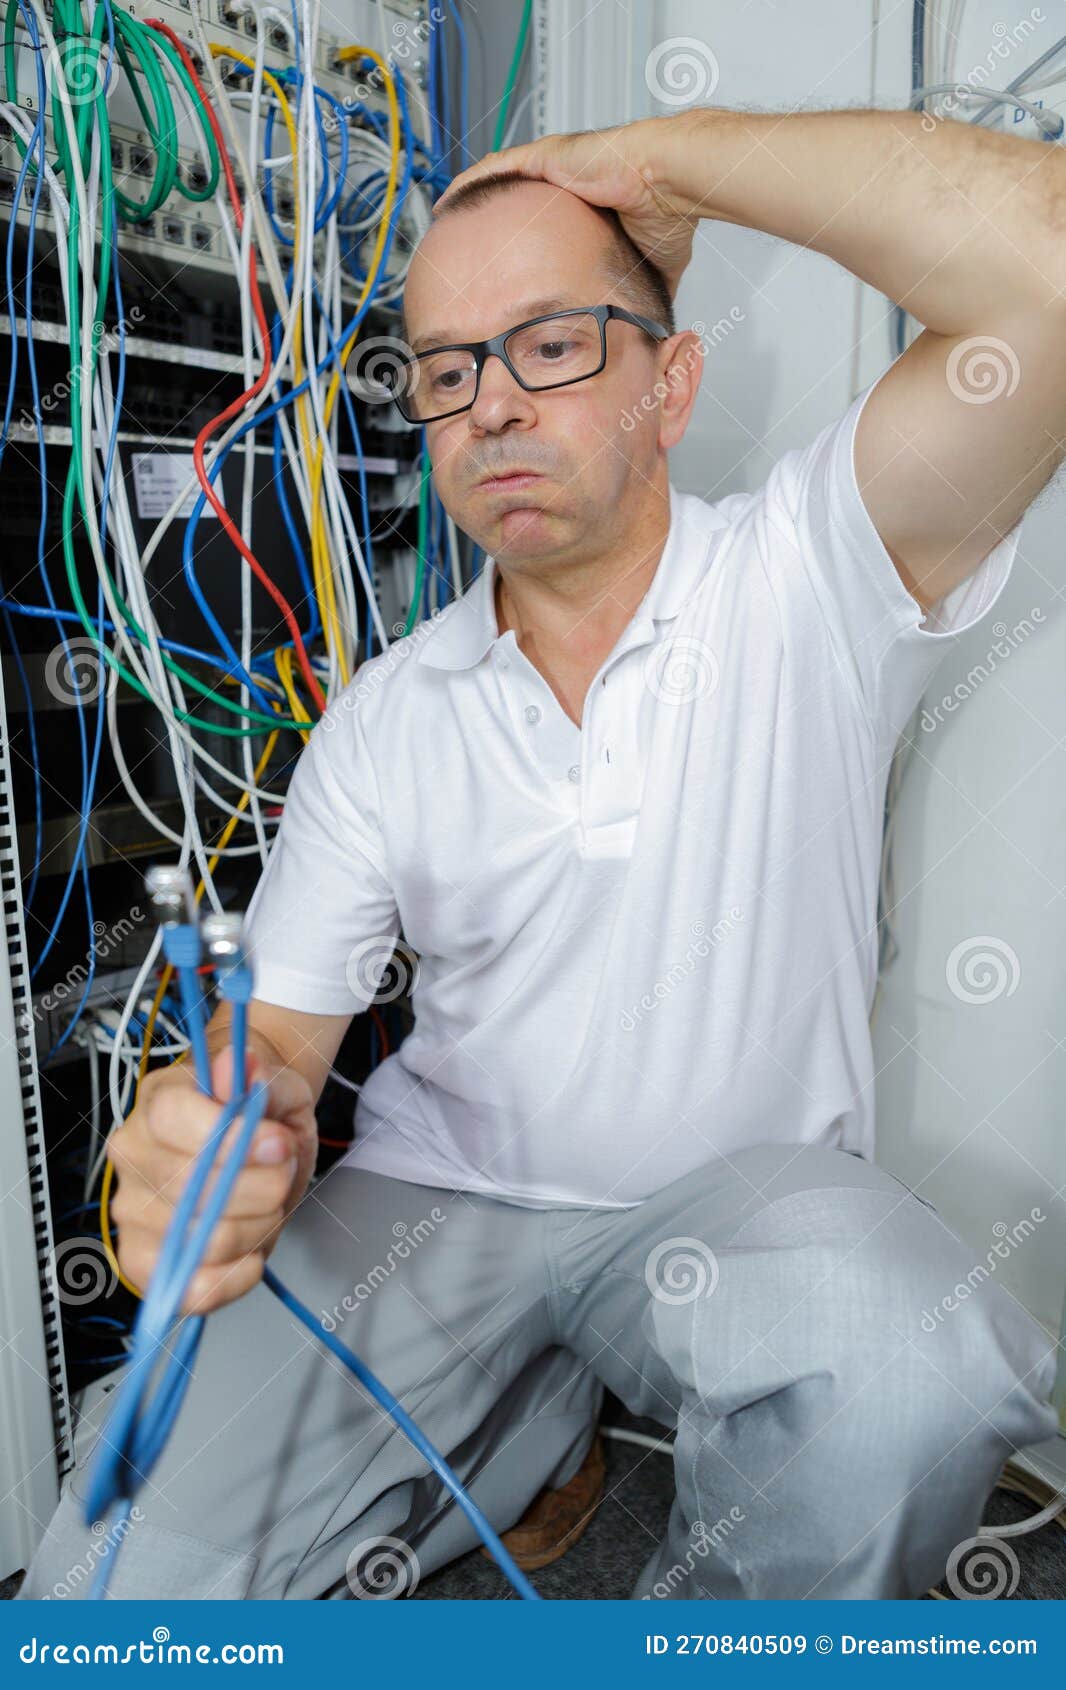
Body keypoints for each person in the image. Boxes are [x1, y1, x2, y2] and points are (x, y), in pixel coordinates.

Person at [19, 104, 1064, 1602]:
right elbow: (282, 1052)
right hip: (436, 1208)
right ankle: (538, 1426)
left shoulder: (811, 572)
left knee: (911, 1364)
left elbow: (1046, 255)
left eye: (554, 344)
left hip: (732, 1207)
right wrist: (213, 1125)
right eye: (447, 370)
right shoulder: (387, 715)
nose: (493, 404)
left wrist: (668, 161)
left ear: (671, 383)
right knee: (105, 1593)